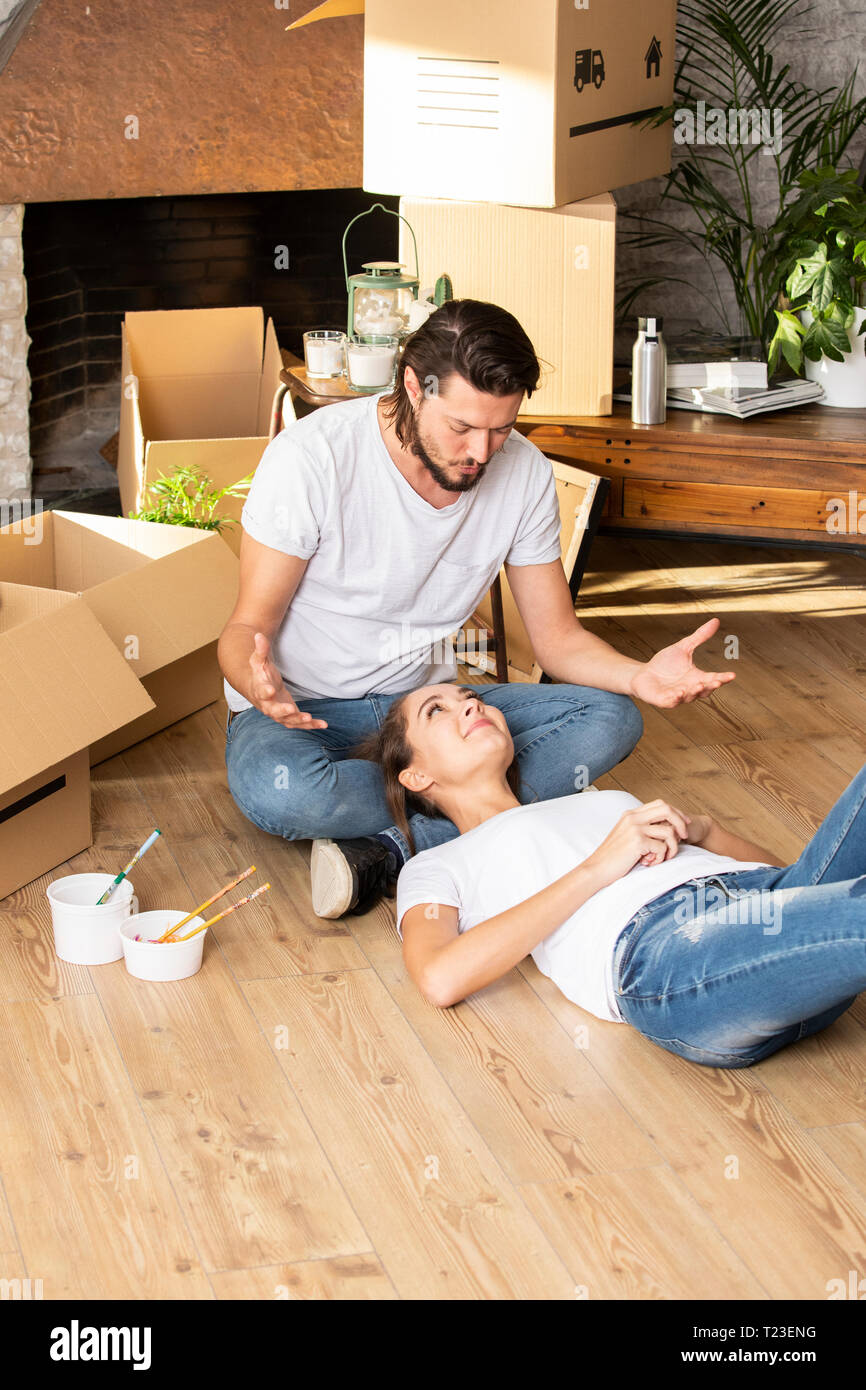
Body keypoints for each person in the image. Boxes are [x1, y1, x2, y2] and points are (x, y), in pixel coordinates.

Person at [218, 299, 735, 921]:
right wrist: (259, 681)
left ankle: (390, 847)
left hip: (429, 713)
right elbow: (245, 628)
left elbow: (558, 642)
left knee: (612, 718)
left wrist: (639, 676)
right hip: (306, 712)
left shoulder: (524, 473)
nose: (482, 452)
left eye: (502, 428)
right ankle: (483, 814)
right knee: (288, 794)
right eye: (462, 427)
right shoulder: (314, 458)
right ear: (413, 386)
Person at [359, 681, 866, 1069]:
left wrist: (705, 832)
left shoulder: (596, 800)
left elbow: (796, 883)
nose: (472, 706)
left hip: (761, 906)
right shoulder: (437, 865)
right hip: (669, 956)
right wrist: (600, 866)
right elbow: (440, 978)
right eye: (438, 711)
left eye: (472, 698)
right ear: (417, 776)